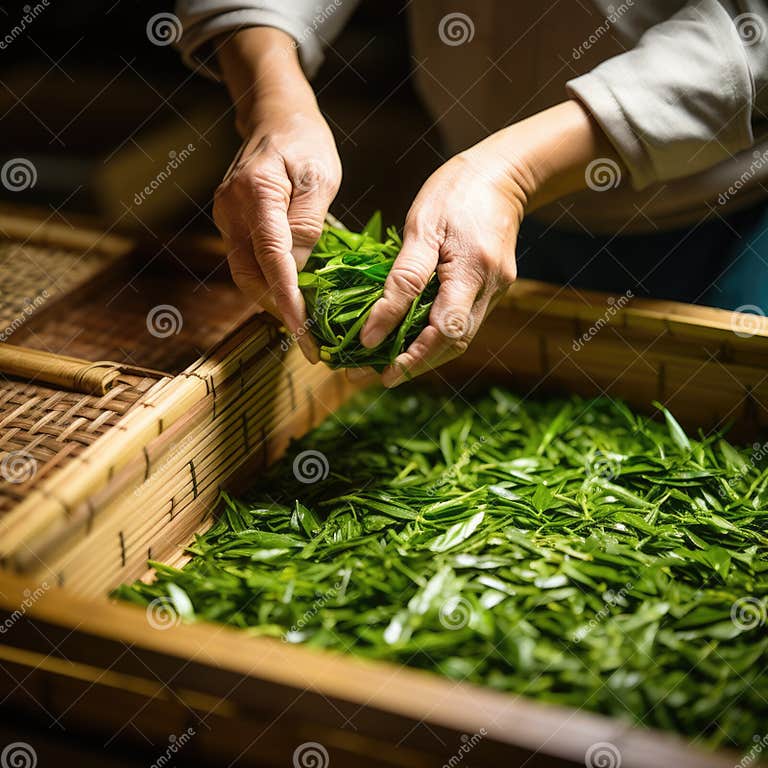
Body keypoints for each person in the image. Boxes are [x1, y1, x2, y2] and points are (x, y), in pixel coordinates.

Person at [175, 0, 768, 386]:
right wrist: (274, 102)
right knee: (485, 365)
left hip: (724, 208)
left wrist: (511, 173)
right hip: (488, 211)